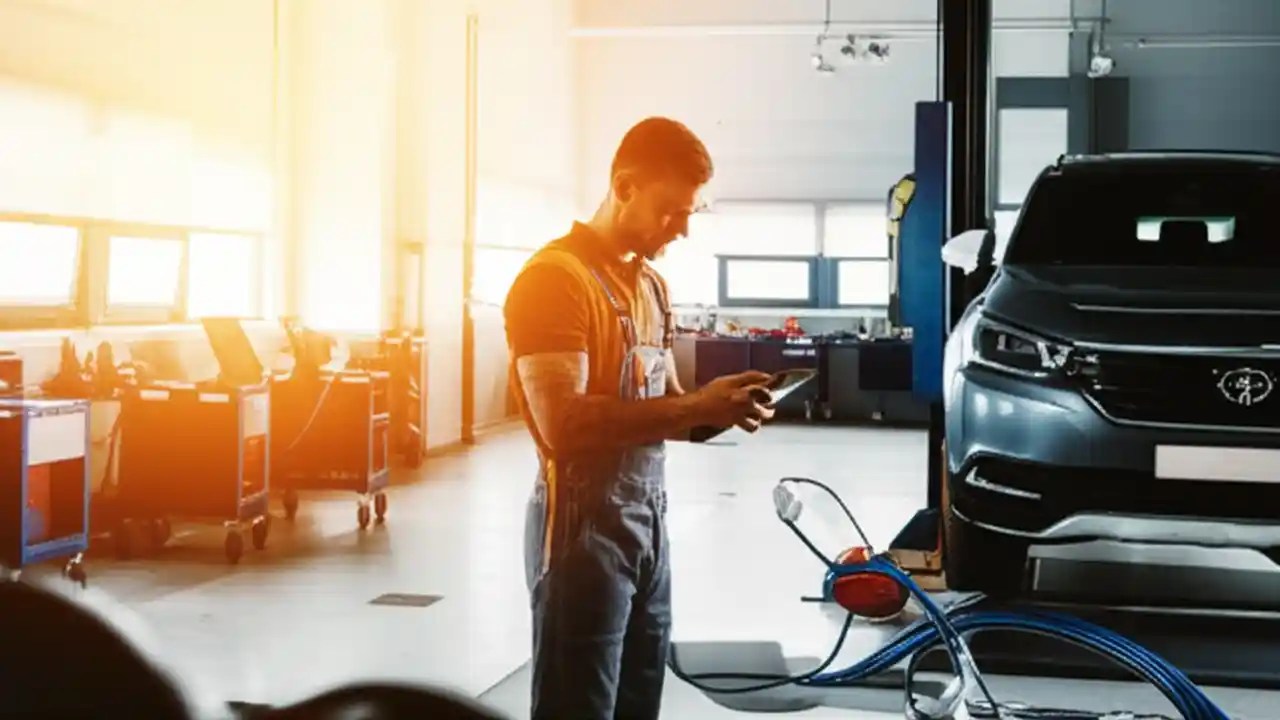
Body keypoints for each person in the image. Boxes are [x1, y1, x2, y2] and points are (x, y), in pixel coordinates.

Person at [503, 116, 776, 719]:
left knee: (637, 704)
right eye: (671, 211)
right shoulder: (554, 281)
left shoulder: (650, 286)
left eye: (690, 214)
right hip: (581, 533)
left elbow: (667, 410)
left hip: (648, 529)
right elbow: (564, 426)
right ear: (623, 187)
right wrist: (694, 405)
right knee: (579, 706)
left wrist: (721, 407)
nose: (680, 228)